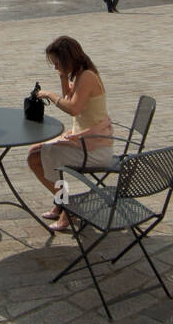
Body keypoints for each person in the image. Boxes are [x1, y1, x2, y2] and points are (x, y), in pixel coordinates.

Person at [27, 35, 115, 233]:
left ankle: (68, 207)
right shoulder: (82, 73)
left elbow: (73, 108)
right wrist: (62, 76)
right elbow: (69, 97)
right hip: (87, 140)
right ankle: (62, 202)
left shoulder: (87, 77)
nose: (55, 66)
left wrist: (50, 95)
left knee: (37, 156)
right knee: (35, 153)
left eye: (57, 63)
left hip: (95, 148)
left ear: (67, 59)